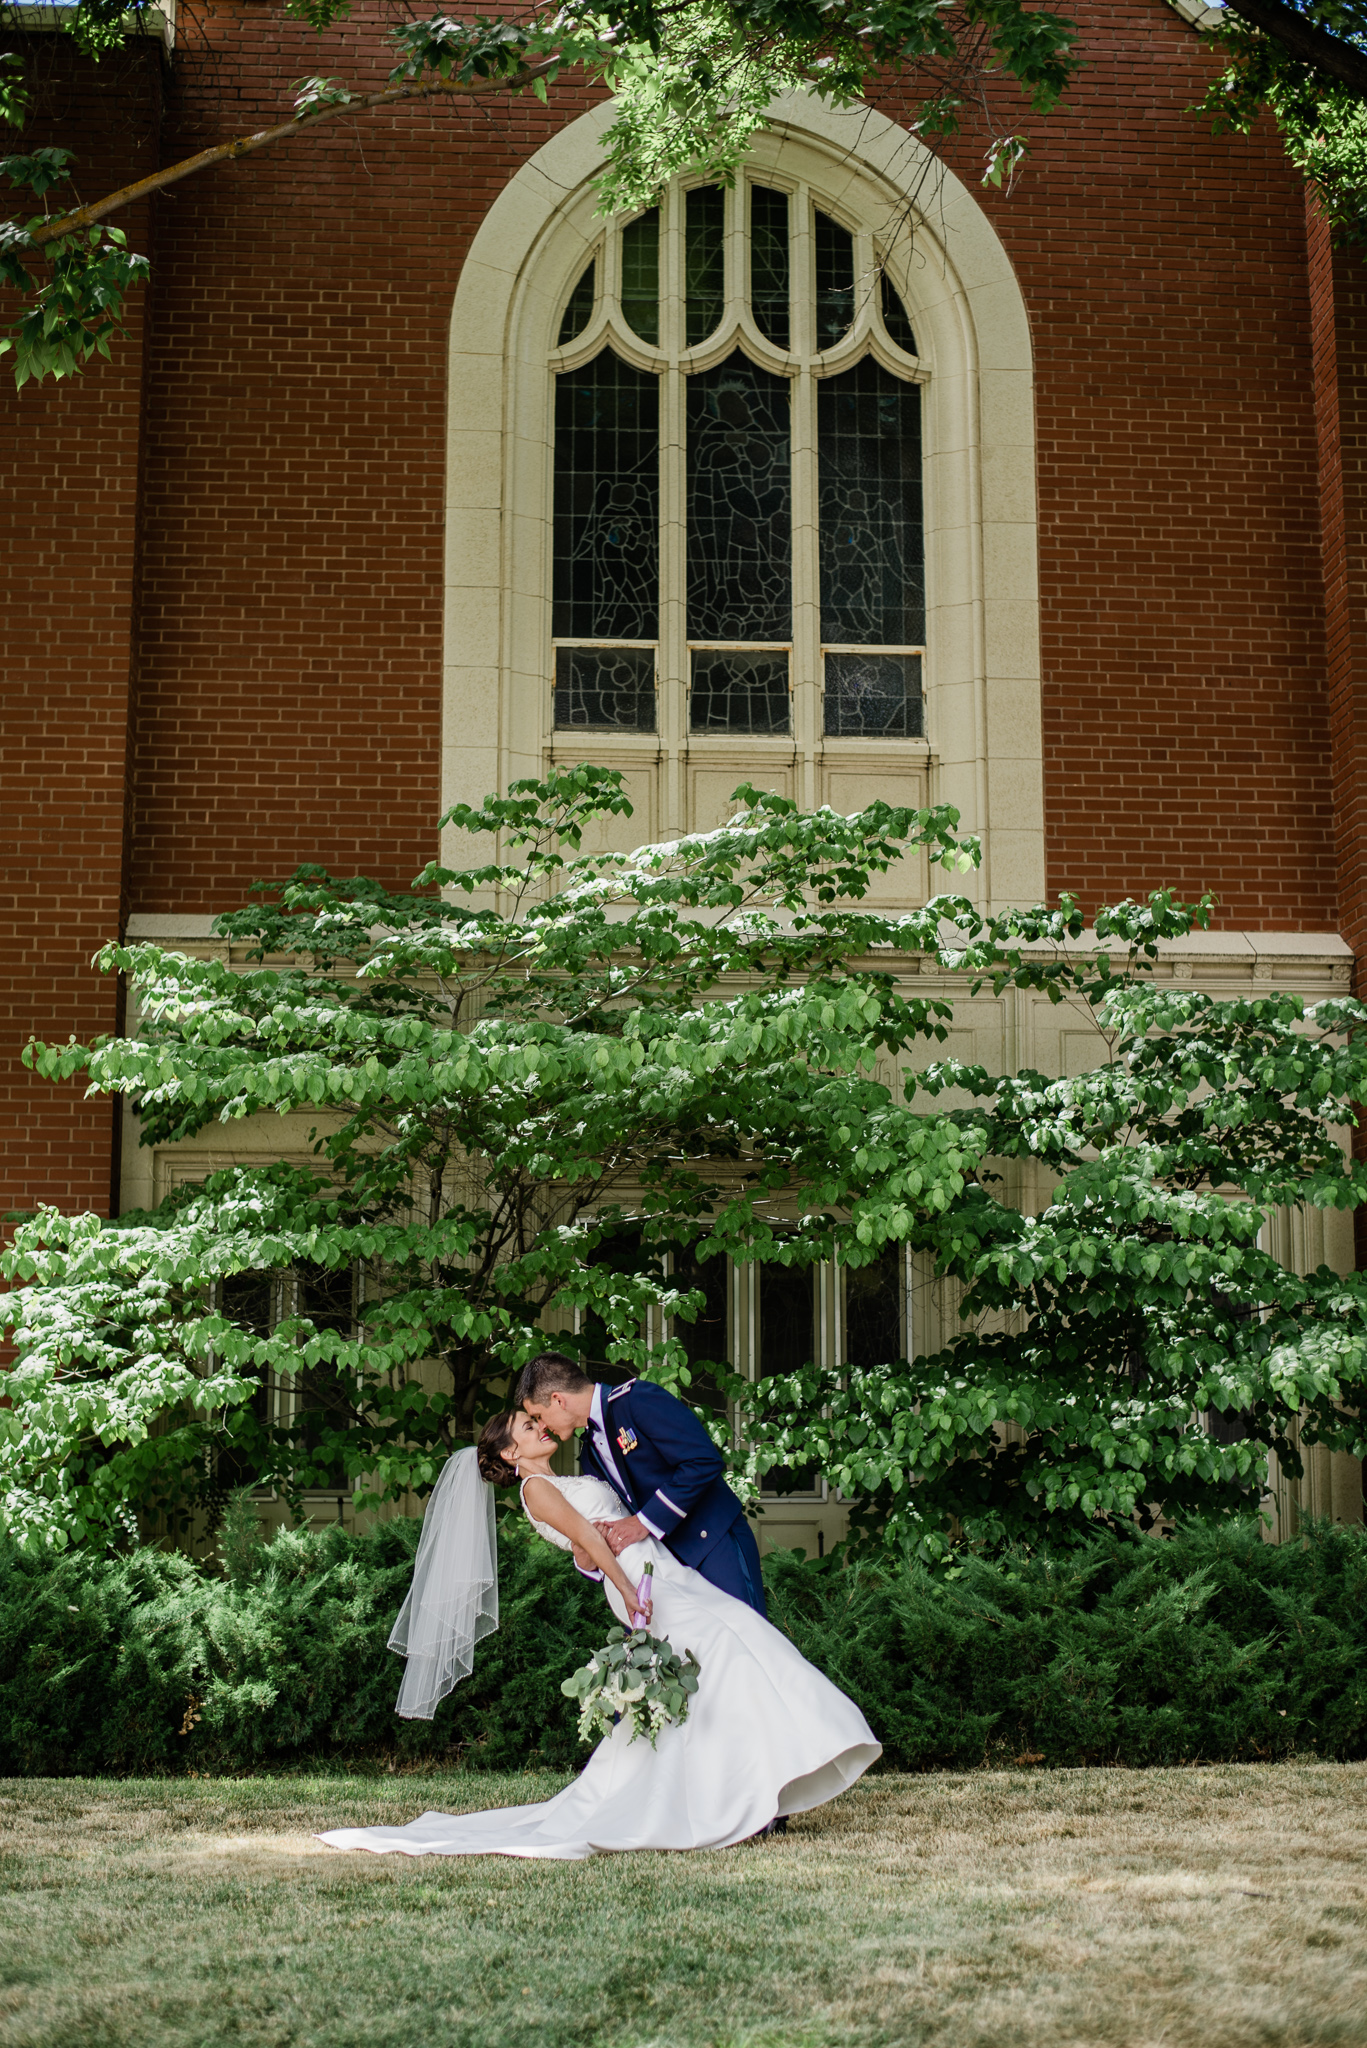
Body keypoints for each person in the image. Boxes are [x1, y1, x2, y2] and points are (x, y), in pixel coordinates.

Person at [316, 1410, 880, 1860]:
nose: (540, 1428)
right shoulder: (535, 1491)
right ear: (511, 1454)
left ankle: (745, 1787)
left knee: (734, 1651)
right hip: (638, 1580)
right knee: (726, 1655)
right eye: (527, 1428)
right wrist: (629, 1593)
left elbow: (594, 1535)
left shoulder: (555, 1480)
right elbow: (588, 1538)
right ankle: (733, 1798)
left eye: (537, 1421)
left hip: (658, 1567)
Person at [517, 1351, 768, 1616]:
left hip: (713, 1542)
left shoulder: (638, 1400)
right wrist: (585, 1558)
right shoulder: (590, 1452)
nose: (542, 1426)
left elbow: (702, 1461)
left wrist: (642, 1522)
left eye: (539, 1415)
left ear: (558, 1400)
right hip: (667, 1570)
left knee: (749, 1641)